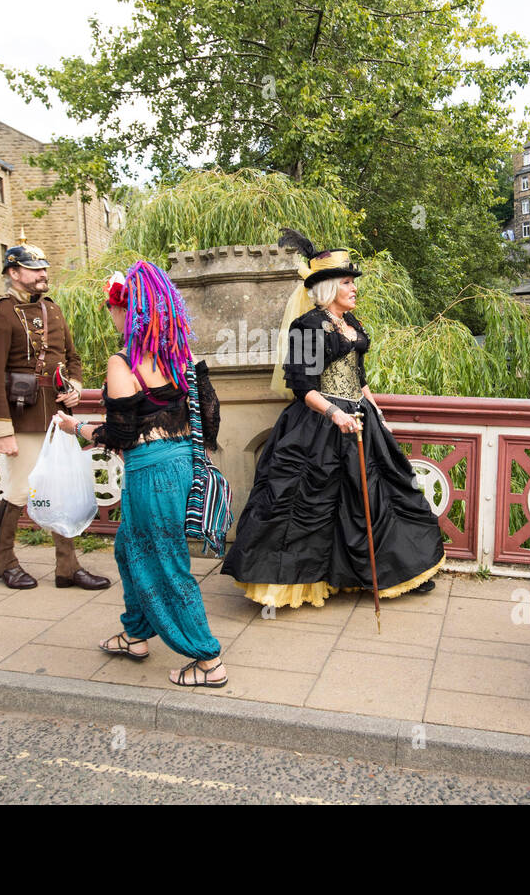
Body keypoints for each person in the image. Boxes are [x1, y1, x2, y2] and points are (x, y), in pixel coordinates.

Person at [219, 230, 443, 609]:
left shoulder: (352, 324)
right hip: (320, 424)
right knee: (306, 504)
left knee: (376, 497)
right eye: (347, 282)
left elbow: (359, 376)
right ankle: (290, 583)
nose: (354, 288)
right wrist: (336, 413)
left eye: (353, 282)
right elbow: (302, 387)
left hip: (360, 419)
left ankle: (391, 571)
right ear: (326, 288)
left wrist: (376, 411)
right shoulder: (307, 327)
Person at [56, 263, 227, 687]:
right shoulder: (181, 358)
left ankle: (208, 659)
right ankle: (135, 635)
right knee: (129, 548)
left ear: (125, 311)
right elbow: (211, 416)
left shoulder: (123, 363)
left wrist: (73, 427)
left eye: (112, 308)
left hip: (150, 473)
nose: (110, 316)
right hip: (182, 462)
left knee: (166, 563)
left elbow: (119, 435)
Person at [0, 243, 110, 591]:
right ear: (13, 273)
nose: (42, 274)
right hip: (22, 416)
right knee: (21, 489)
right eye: (33, 269)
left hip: (59, 414)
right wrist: (1, 430)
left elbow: (73, 357)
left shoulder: (54, 309)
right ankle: (3, 561)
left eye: (43, 268)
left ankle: (67, 567)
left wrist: (77, 388)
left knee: (60, 489)